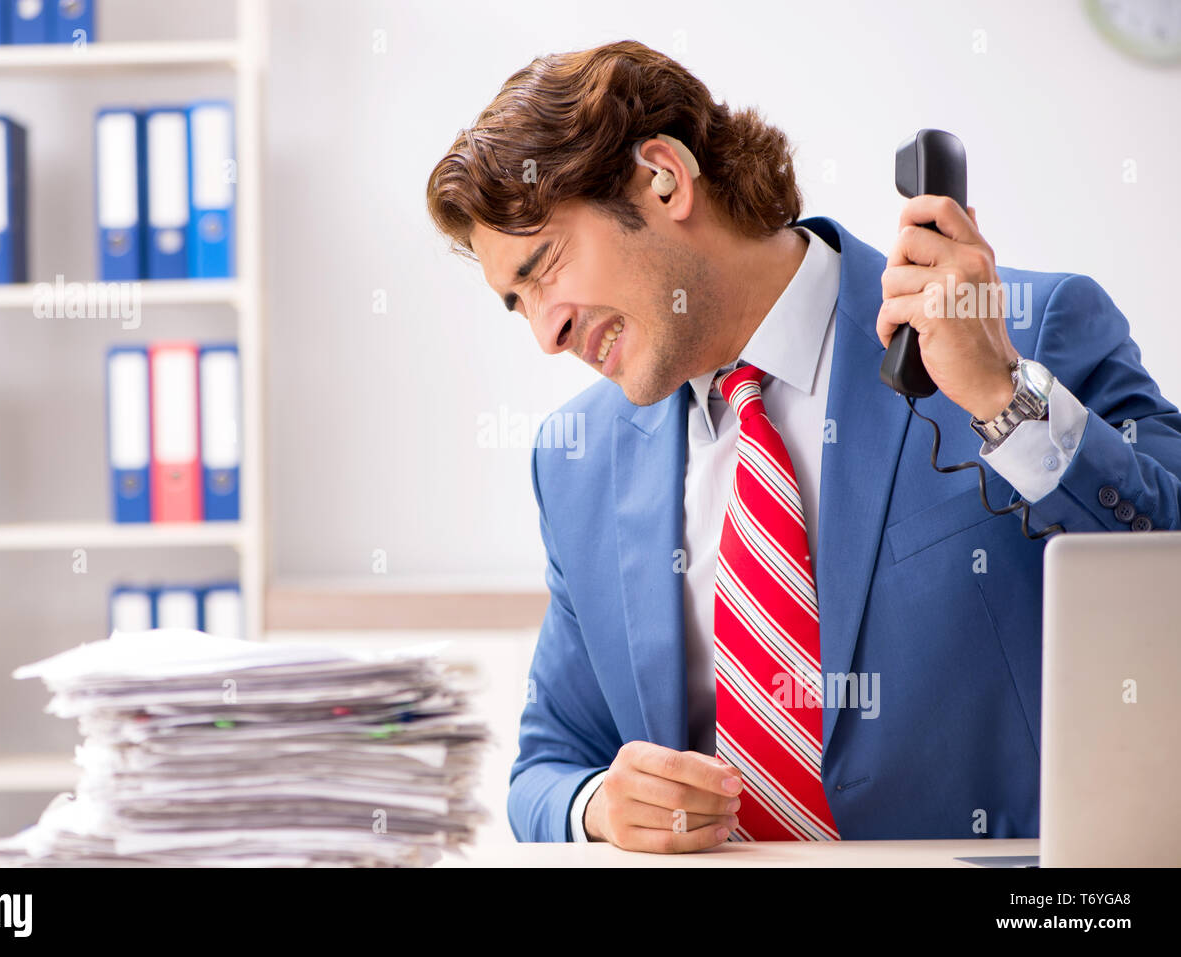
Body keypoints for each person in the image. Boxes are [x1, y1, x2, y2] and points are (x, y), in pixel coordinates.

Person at [425, 40, 1181, 851]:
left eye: (546, 268)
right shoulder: (577, 461)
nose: (547, 331)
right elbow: (548, 762)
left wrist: (1004, 397)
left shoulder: (1030, 330)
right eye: (519, 302)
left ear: (664, 178)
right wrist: (601, 804)